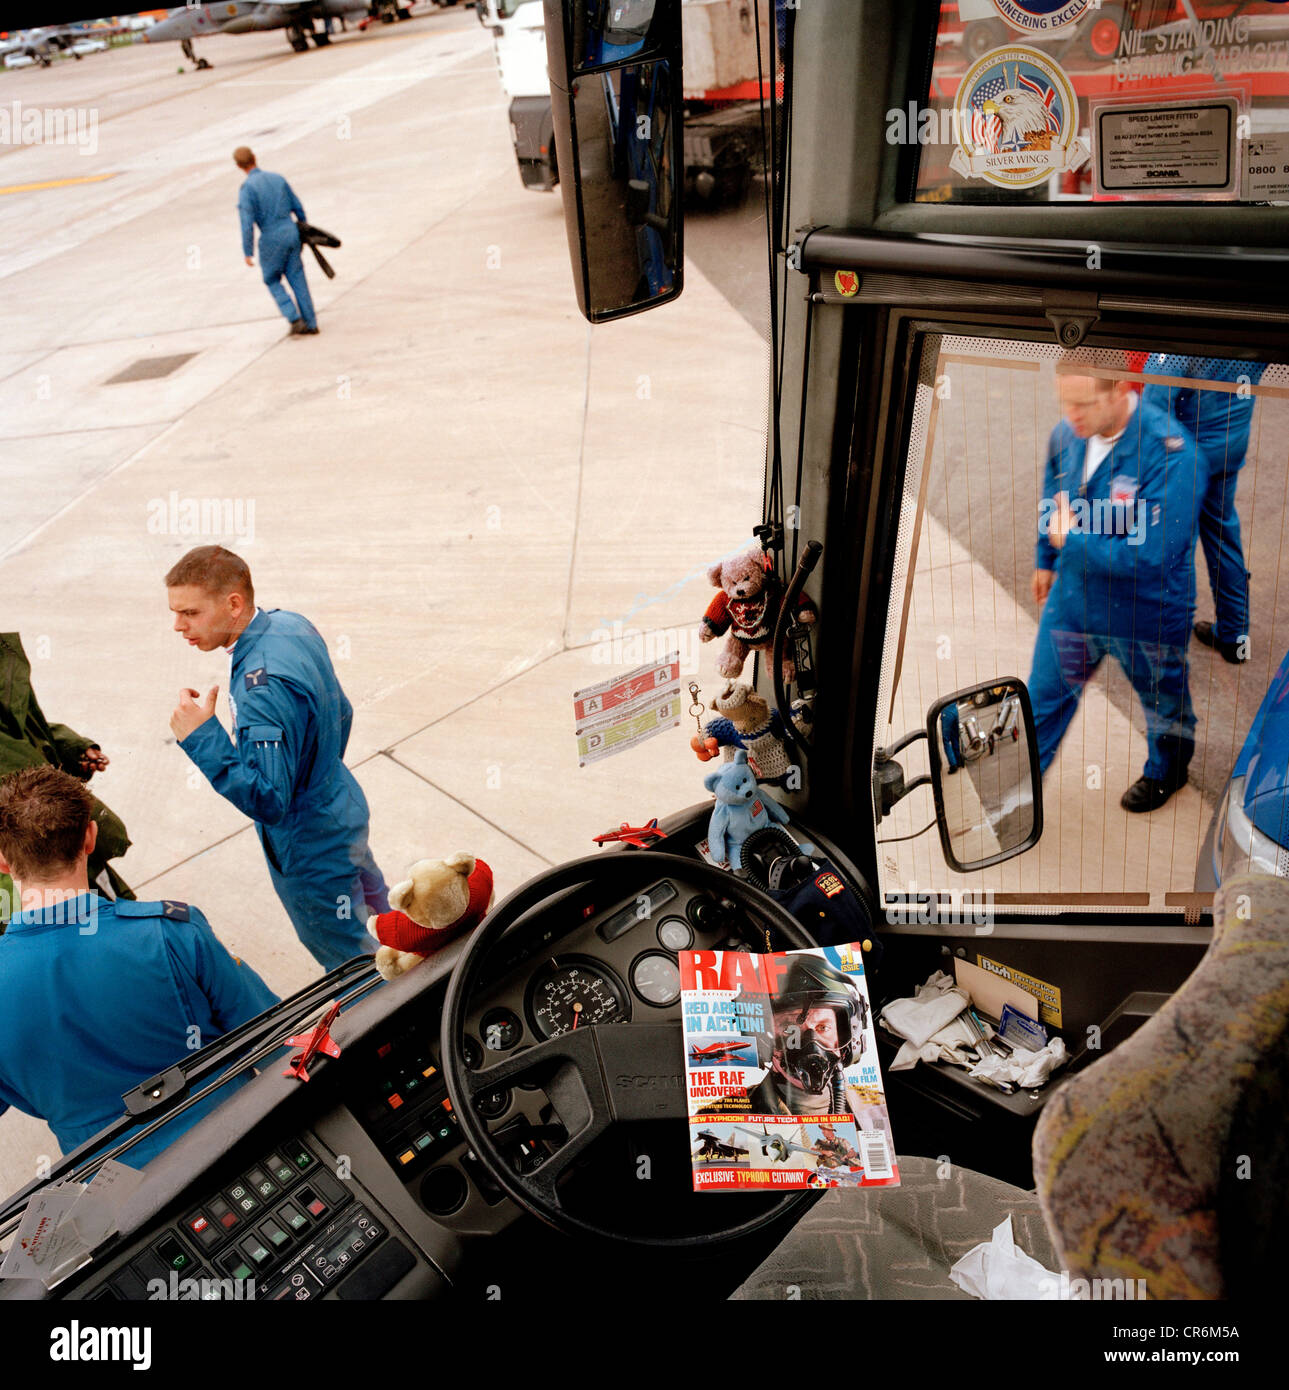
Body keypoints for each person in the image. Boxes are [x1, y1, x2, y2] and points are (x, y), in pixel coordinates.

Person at [0, 766, 278, 1167]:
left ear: (4, 862)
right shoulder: (172, 933)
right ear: (90, 837)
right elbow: (271, 1034)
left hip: (114, 1190)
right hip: (240, 1147)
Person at [165, 546, 389, 971]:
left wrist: (201, 738)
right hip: (342, 806)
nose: (179, 626)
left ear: (233, 604)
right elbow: (342, 710)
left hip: (311, 846)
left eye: (190, 613)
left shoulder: (261, 688)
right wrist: (316, 772)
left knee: (355, 965)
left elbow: (269, 800)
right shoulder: (290, 625)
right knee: (389, 922)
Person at [1029, 362, 1206, 813]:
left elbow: (1149, 558)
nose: (1071, 416)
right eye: (1064, 402)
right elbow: (1055, 497)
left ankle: (1168, 770)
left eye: (1084, 403)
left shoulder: (1173, 456)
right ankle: (1015, 796)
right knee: (1041, 704)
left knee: (1164, 702)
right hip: (1073, 605)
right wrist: (1045, 560)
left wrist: (1070, 540)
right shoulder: (1067, 434)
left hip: (1143, 614)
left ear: (1122, 390)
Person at [1, 632, 132, 927]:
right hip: (24, 869)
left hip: (62, 846)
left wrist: (72, 748)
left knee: (108, 919)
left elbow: (27, 725)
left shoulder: (2, 657)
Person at [1141, 355, 1266, 665]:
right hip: (1230, 444)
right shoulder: (1258, 316)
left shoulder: (1185, 328)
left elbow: (1154, 404)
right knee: (1223, 536)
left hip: (1189, 455)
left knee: (1175, 547)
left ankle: (1168, 647)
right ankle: (1236, 638)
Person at [234, 145, 318, 337]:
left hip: (271, 237)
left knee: (271, 279)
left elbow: (247, 223)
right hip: (291, 232)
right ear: (255, 157)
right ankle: (311, 323)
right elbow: (298, 207)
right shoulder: (277, 178)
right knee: (298, 279)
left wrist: (248, 252)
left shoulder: (247, 189)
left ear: (239, 166)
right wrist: (303, 228)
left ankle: (294, 318)